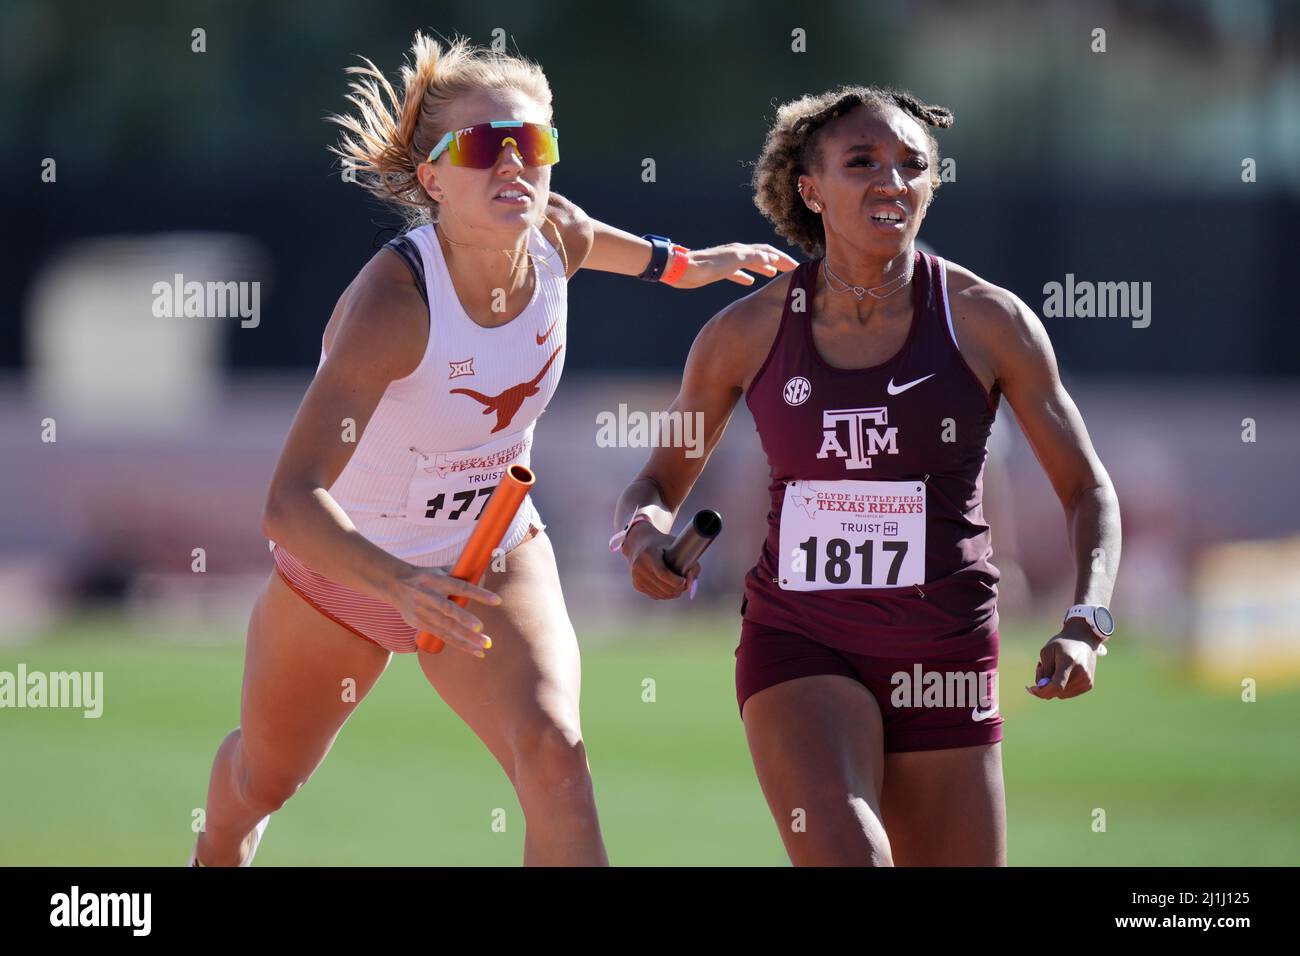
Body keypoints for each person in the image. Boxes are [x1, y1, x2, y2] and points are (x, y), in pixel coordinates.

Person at [188, 32, 795, 867]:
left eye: (533, 143)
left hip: (492, 555)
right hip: (350, 576)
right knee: (266, 780)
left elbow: (639, 254)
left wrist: (696, 265)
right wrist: (401, 585)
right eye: (484, 146)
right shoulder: (395, 305)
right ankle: (214, 849)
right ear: (432, 176)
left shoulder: (558, 236)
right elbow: (289, 503)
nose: (514, 165)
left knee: (556, 757)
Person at [614, 85, 1121, 865]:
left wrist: (1088, 620)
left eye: (914, 165)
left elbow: (1087, 489)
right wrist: (644, 536)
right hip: (801, 643)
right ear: (809, 189)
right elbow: (654, 485)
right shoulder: (745, 332)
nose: (893, 180)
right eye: (863, 162)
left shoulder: (990, 320)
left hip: (945, 651)